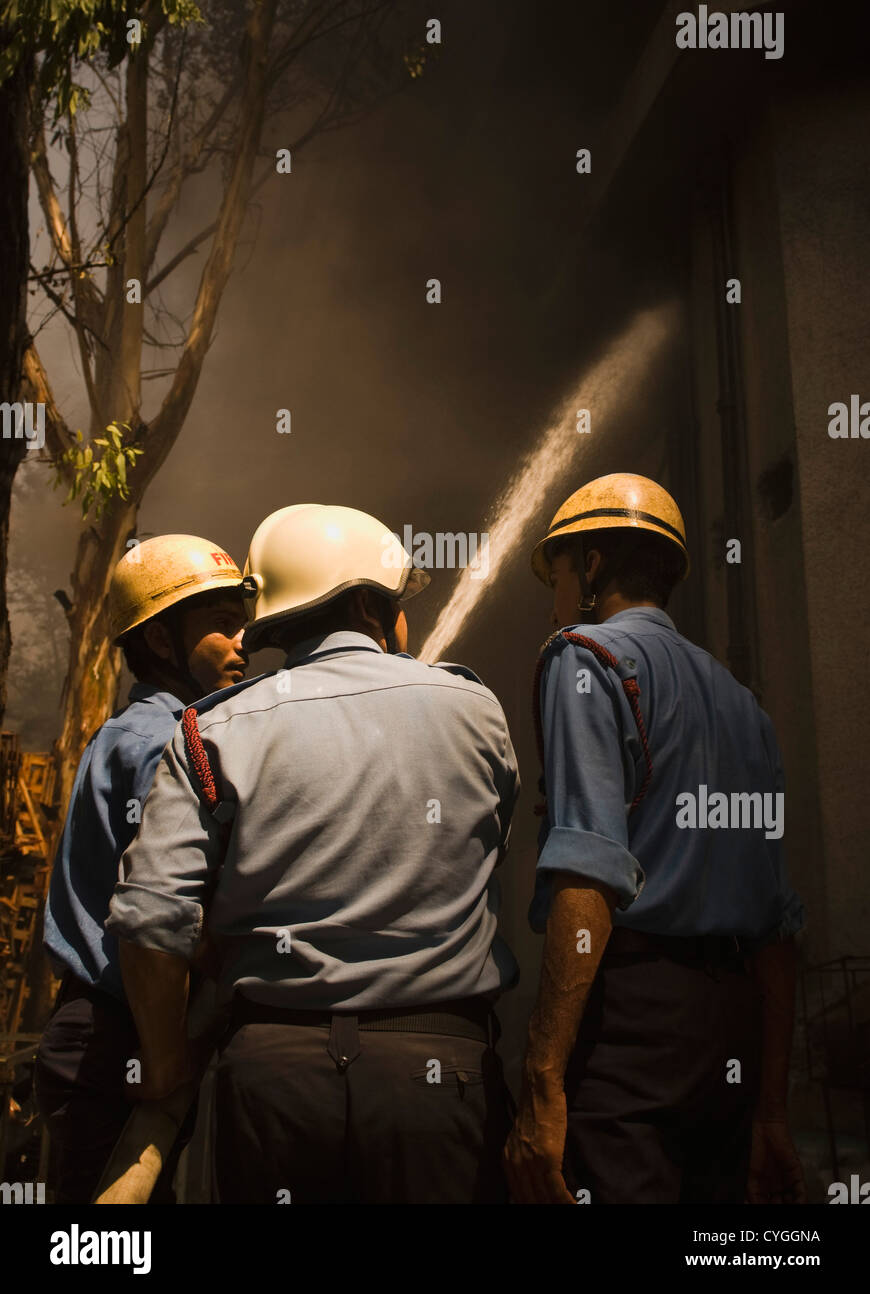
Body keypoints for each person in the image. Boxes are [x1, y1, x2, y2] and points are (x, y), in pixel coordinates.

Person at [107, 503, 520, 1204]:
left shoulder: (209, 731)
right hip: (440, 1071)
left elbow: (149, 919)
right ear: (366, 603)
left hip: (272, 1080)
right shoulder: (472, 707)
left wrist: (168, 1065)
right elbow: (494, 842)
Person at [504, 473, 806, 1205]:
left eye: (560, 572)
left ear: (594, 567)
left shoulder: (585, 656)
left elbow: (588, 870)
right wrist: (770, 1111)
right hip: (731, 1026)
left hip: (636, 1026)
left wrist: (543, 1080)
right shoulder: (746, 705)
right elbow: (776, 928)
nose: (553, 596)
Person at [35, 535, 248, 1204]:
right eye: (219, 624)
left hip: (108, 1032)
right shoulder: (161, 743)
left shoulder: (137, 730)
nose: (242, 641)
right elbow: (171, 910)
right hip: (122, 1038)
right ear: (160, 641)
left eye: (240, 620)